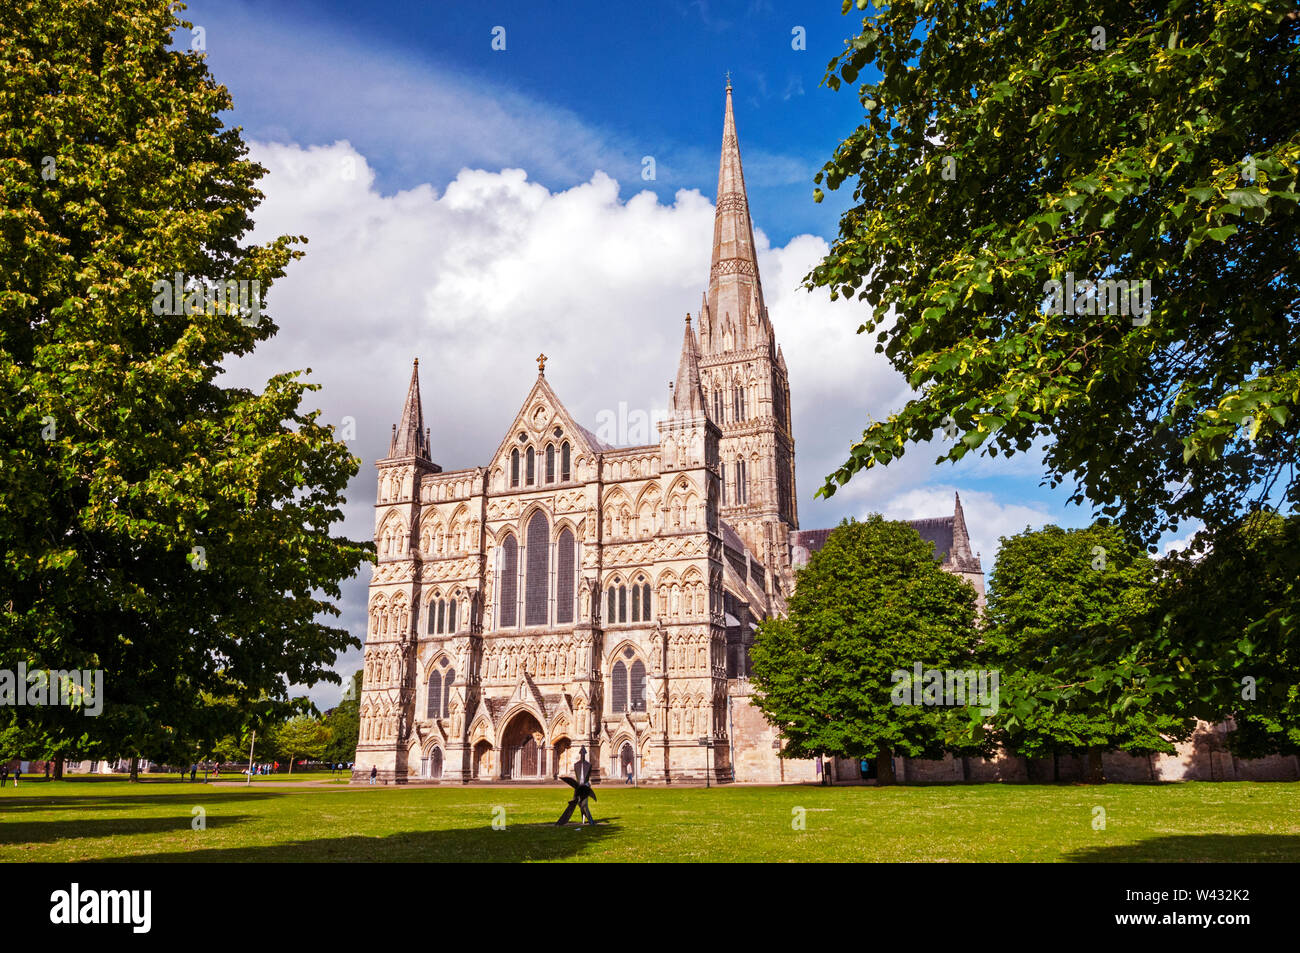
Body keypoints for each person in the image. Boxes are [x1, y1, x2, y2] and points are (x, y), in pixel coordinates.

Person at [556, 747, 597, 827]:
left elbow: (587, 777)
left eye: (583, 753)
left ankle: (591, 822)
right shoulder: (576, 765)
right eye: (581, 753)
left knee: (584, 805)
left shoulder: (589, 765)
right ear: (580, 754)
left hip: (585, 788)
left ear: (585, 754)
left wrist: (588, 785)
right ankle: (565, 820)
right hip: (577, 787)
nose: (582, 755)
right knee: (576, 803)